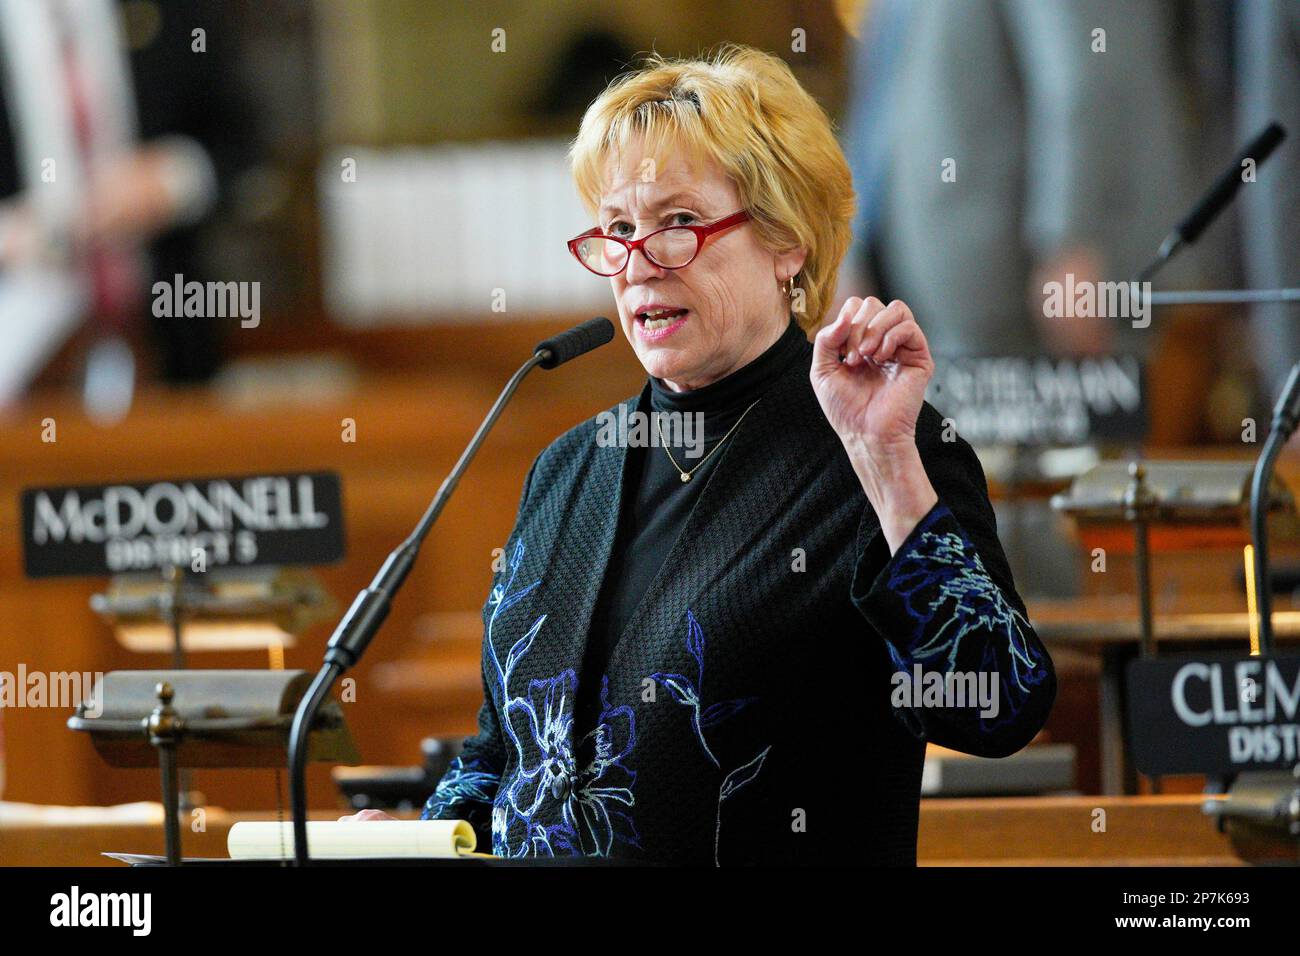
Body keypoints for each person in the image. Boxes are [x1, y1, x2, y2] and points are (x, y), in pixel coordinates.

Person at [353, 44, 1056, 865]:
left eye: (679, 223)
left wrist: (887, 465)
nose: (638, 263)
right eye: (619, 229)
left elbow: (998, 707)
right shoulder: (569, 470)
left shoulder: (882, 445)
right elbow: (507, 750)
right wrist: (428, 840)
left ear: (787, 241)